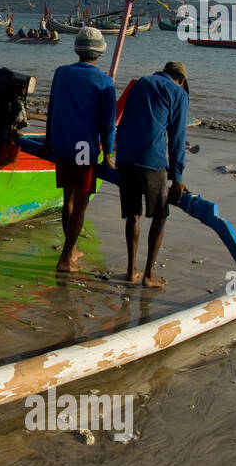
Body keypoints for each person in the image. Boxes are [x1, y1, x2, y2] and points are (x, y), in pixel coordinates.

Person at [46, 27, 117, 273]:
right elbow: (107, 123)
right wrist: (108, 153)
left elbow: (52, 109)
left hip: (62, 142)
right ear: (99, 52)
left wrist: (48, 140)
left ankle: (71, 249)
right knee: (82, 201)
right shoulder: (105, 82)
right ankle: (66, 258)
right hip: (84, 147)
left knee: (69, 199)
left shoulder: (61, 73)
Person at [115, 61, 190, 288]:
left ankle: (131, 270)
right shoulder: (178, 93)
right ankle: (149, 274)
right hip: (151, 159)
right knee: (160, 214)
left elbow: (126, 118)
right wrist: (177, 177)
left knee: (133, 214)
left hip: (125, 156)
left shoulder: (140, 83)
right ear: (181, 80)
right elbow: (177, 138)